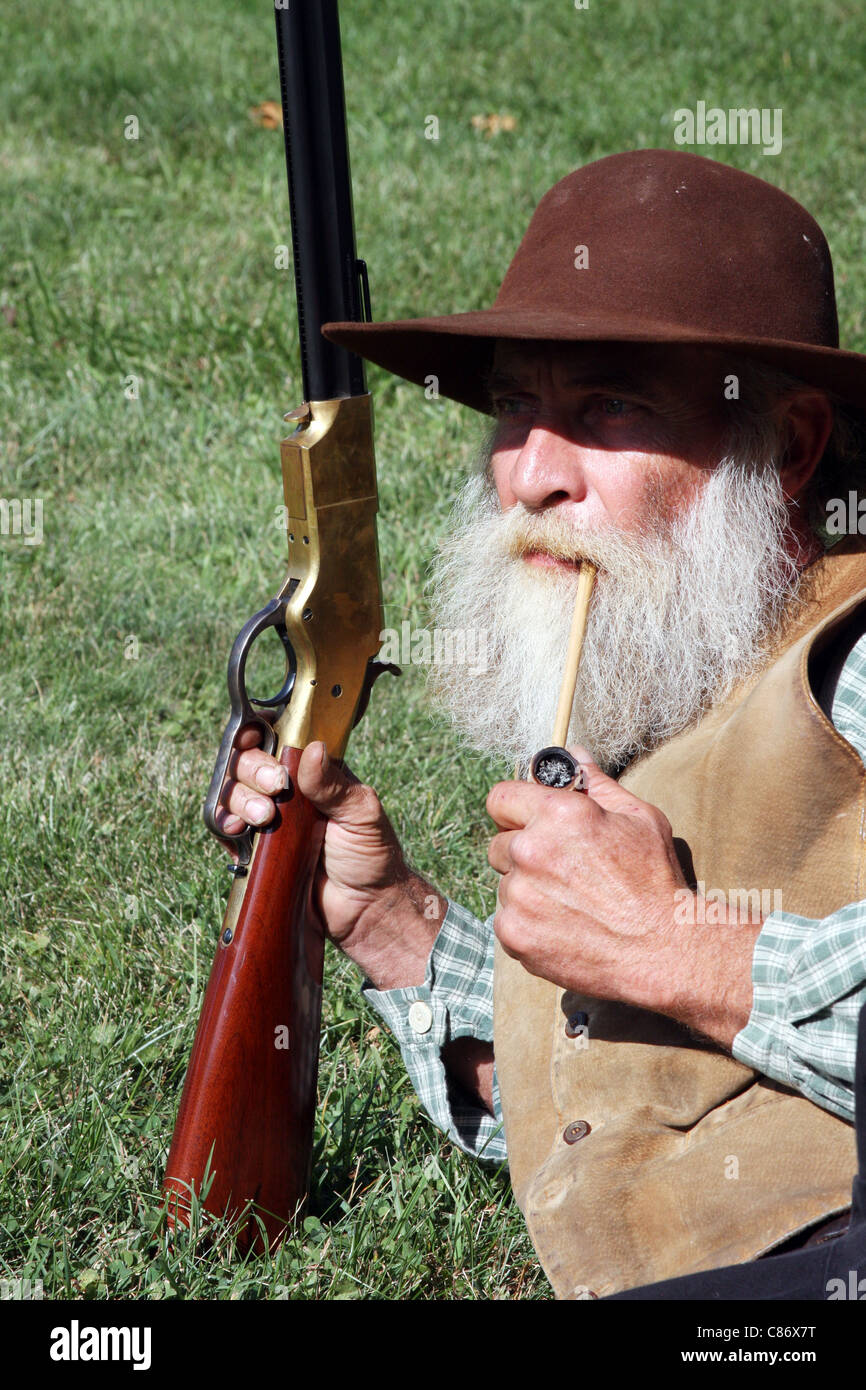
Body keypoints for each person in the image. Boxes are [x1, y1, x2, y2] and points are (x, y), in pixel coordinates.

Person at [215, 150, 866, 1298]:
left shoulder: (853, 653)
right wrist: (390, 921)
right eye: (515, 404)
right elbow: (628, 1092)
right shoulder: (666, 660)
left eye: (608, 404)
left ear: (793, 447)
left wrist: (677, 943)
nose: (529, 474)